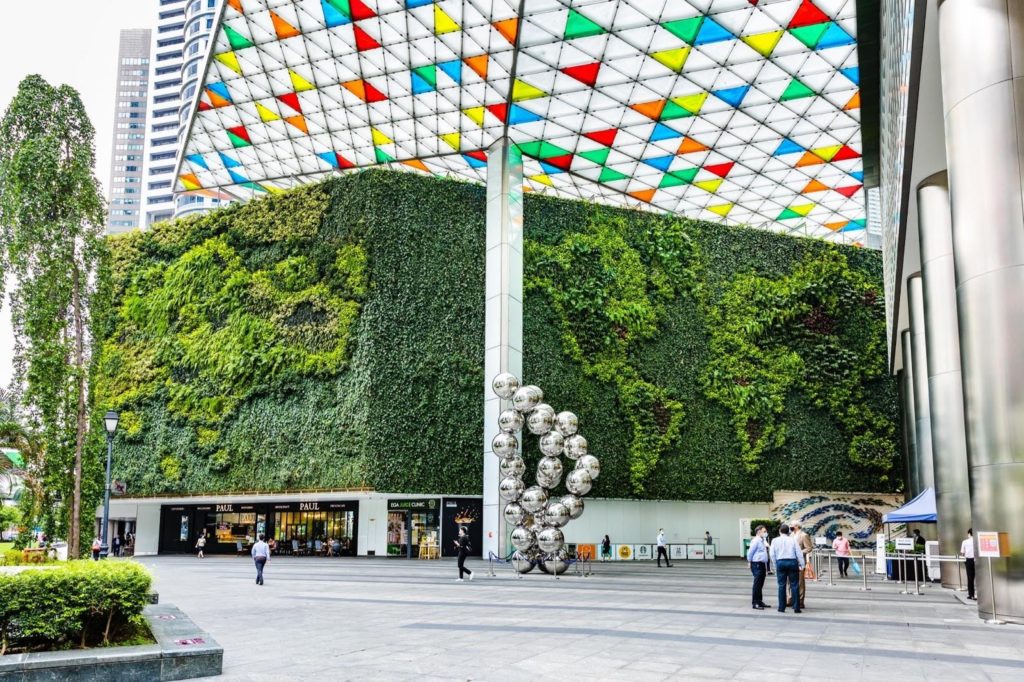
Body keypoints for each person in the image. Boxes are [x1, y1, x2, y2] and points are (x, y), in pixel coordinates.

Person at [769, 524, 804, 613]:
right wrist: (802, 565)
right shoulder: (793, 540)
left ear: (779, 531)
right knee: (794, 585)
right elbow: (799, 553)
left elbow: (772, 554)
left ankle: (781, 607)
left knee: (781, 585)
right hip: (792, 562)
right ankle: (796, 607)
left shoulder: (774, 540)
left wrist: (775, 564)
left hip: (780, 562)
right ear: (788, 531)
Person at [746, 525, 770, 610]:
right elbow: (750, 552)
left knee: (760, 584)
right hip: (756, 564)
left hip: (762, 564)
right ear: (759, 532)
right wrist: (749, 562)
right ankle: (755, 603)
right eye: (764, 531)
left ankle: (759, 601)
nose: (766, 533)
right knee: (757, 584)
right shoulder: (755, 541)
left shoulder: (762, 540)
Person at [791, 521, 813, 609]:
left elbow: (809, 548)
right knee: (790, 581)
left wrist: (799, 552)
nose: (790, 526)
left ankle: (800, 601)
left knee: (800, 582)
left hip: (800, 561)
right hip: (791, 561)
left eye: (792, 525)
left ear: (796, 526)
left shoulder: (804, 535)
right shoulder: (791, 535)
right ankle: (790, 599)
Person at [960, 528, 976, 600]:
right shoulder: (977, 542)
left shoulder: (965, 542)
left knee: (970, 578)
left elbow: (962, 553)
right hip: (977, 560)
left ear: (969, 534)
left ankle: (971, 594)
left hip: (969, 560)